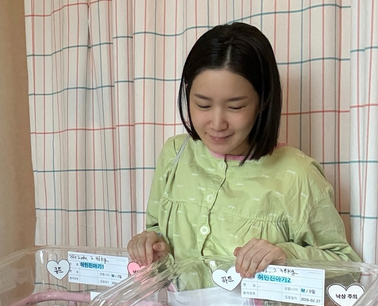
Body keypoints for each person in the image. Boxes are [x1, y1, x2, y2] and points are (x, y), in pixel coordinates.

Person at [127, 22, 360, 278]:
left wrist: (286, 255)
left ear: (263, 101)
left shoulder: (296, 174)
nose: (217, 123)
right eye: (203, 105)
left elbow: (347, 268)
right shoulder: (175, 153)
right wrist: (150, 245)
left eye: (235, 107)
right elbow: (157, 230)